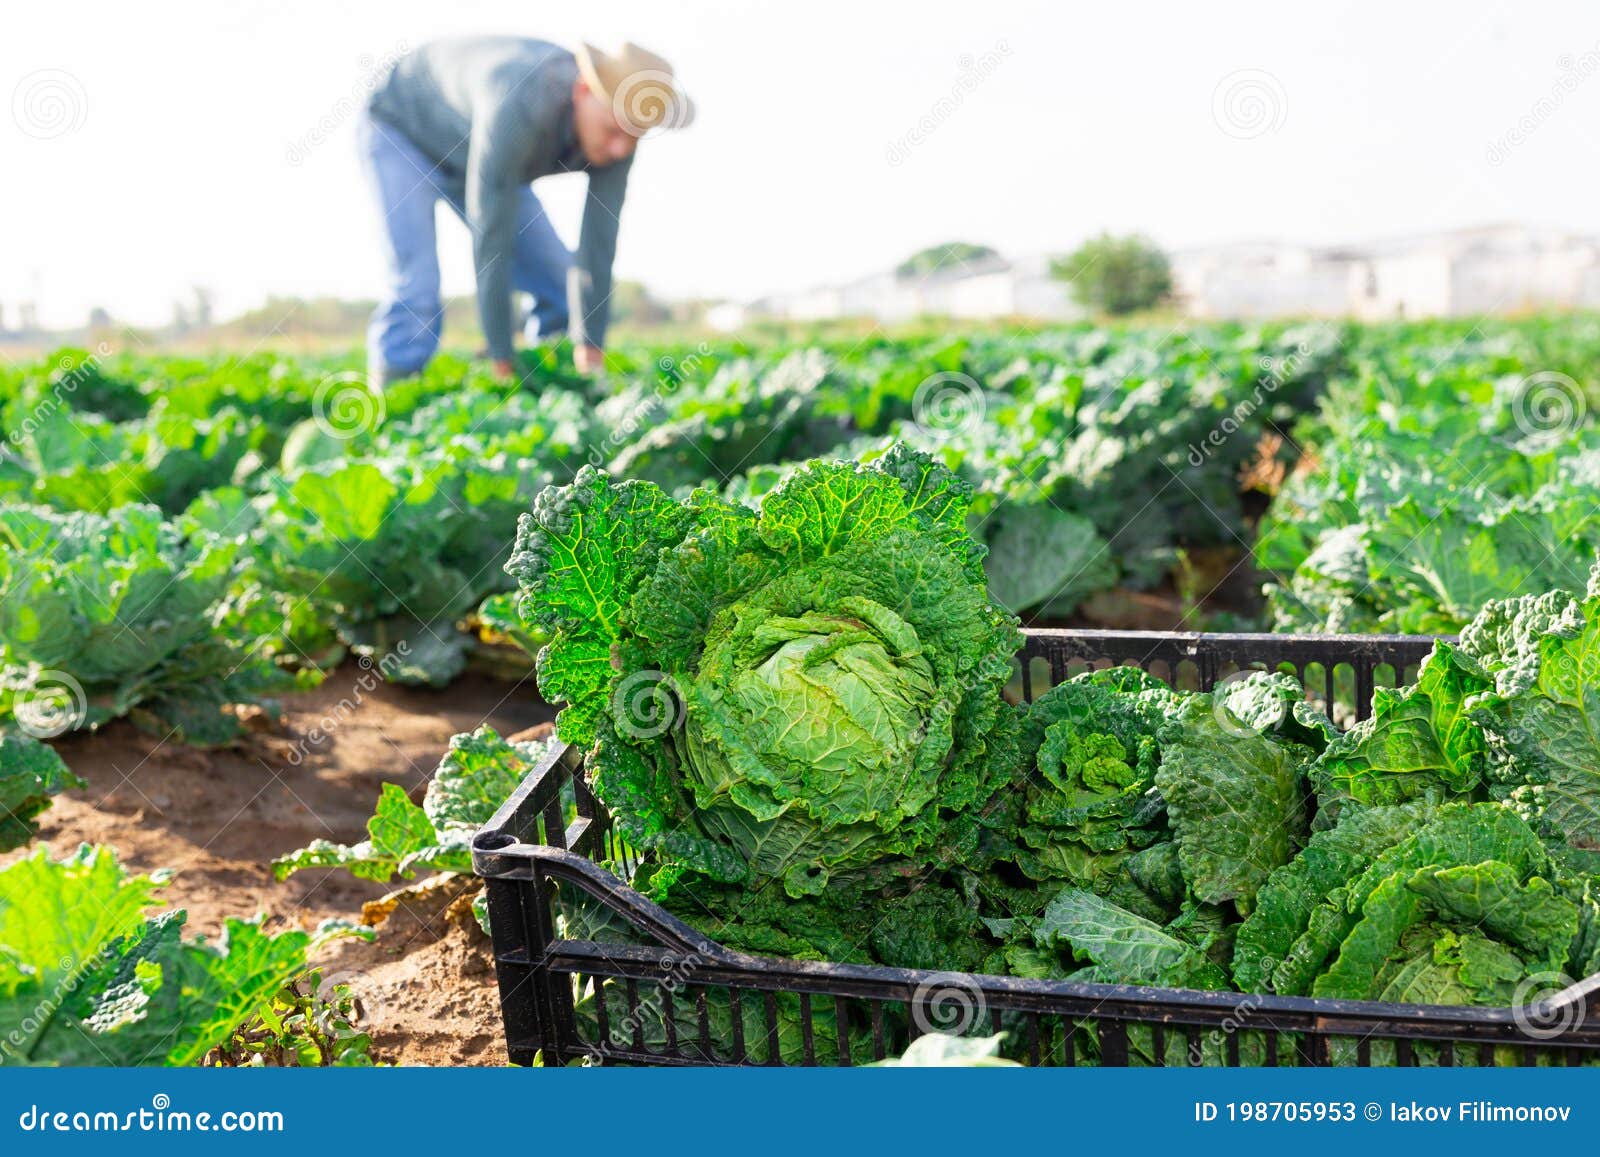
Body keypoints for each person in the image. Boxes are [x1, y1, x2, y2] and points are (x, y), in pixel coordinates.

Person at [359, 37, 693, 386]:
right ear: (582, 90)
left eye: (635, 137)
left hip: (486, 156)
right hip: (404, 130)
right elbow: (493, 240)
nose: (620, 147)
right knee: (418, 286)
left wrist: (591, 347)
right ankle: (391, 404)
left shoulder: (621, 137)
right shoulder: (520, 100)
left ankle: (545, 388)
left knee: (557, 284)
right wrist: (499, 351)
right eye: (613, 130)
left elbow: (599, 242)